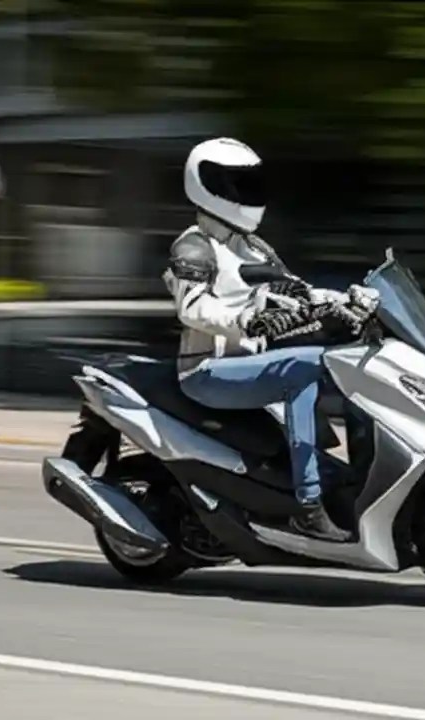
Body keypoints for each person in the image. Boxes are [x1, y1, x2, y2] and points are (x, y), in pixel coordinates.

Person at [163, 137, 366, 542]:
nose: (247, 194)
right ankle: (308, 508)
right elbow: (193, 308)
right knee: (305, 367)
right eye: (236, 184)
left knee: (353, 367)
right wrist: (248, 321)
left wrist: (350, 299)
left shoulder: (251, 246)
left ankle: (360, 482)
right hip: (207, 372)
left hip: (245, 366)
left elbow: (295, 289)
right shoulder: (194, 246)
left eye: (250, 183)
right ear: (208, 186)